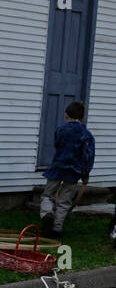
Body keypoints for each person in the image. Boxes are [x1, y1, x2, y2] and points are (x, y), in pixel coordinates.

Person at [40, 101, 95, 238]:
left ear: (66, 115)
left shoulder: (60, 130)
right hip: (73, 171)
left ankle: (47, 214)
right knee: (65, 200)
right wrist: (85, 173)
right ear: (82, 117)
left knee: (48, 195)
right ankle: (56, 229)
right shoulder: (87, 134)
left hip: (57, 167)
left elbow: (57, 144)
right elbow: (88, 156)